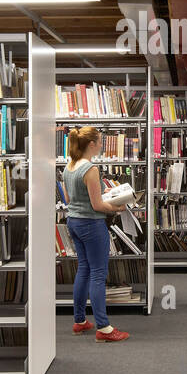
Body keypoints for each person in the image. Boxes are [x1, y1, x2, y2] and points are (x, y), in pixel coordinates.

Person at [61, 126, 130, 342]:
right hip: (91, 225)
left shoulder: (69, 166)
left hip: (74, 222)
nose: (101, 145)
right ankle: (104, 328)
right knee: (99, 274)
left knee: (84, 269)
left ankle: (80, 321)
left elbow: (72, 200)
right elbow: (97, 205)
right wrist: (117, 207)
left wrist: (107, 192)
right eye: (100, 141)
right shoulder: (91, 169)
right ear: (91, 144)